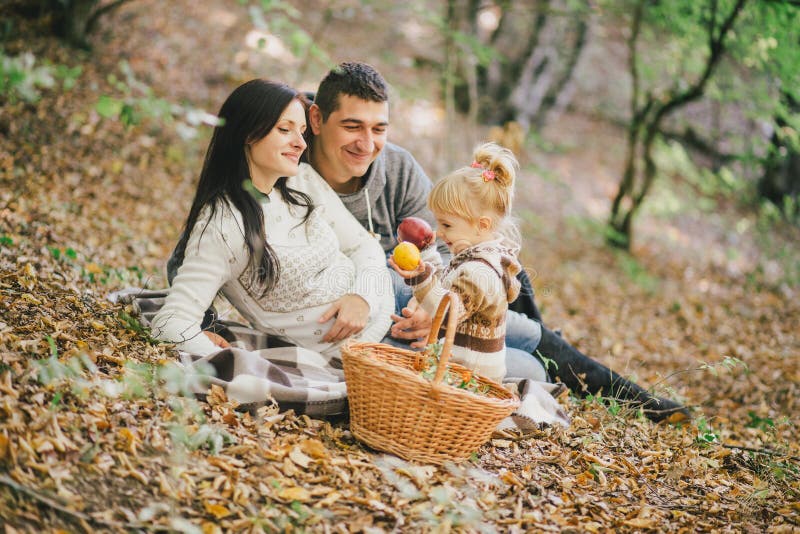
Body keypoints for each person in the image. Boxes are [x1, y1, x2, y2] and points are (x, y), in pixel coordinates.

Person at [297, 61, 689, 423]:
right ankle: (542, 368)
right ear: (317, 119)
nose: (367, 144)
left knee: (520, 320)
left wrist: (426, 303)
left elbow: (450, 244)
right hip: (375, 313)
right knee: (527, 365)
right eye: (352, 126)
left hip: (436, 299)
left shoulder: (396, 167)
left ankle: (638, 401)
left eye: (379, 129)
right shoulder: (293, 171)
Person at [151, 79, 394, 360]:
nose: (301, 143)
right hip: (366, 355)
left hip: (389, 301)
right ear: (249, 133)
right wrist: (230, 358)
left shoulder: (302, 182)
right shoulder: (224, 226)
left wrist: (361, 297)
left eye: (302, 131)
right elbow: (170, 323)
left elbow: (366, 247)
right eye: (285, 130)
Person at [389, 142, 523, 383]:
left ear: (482, 225)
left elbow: (446, 310)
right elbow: (446, 282)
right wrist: (427, 254)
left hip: (468, 381)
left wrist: (419, 278)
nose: (439, 232)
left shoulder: (481, 272)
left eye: (447, 225)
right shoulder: (471, 256)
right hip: (452, 369)